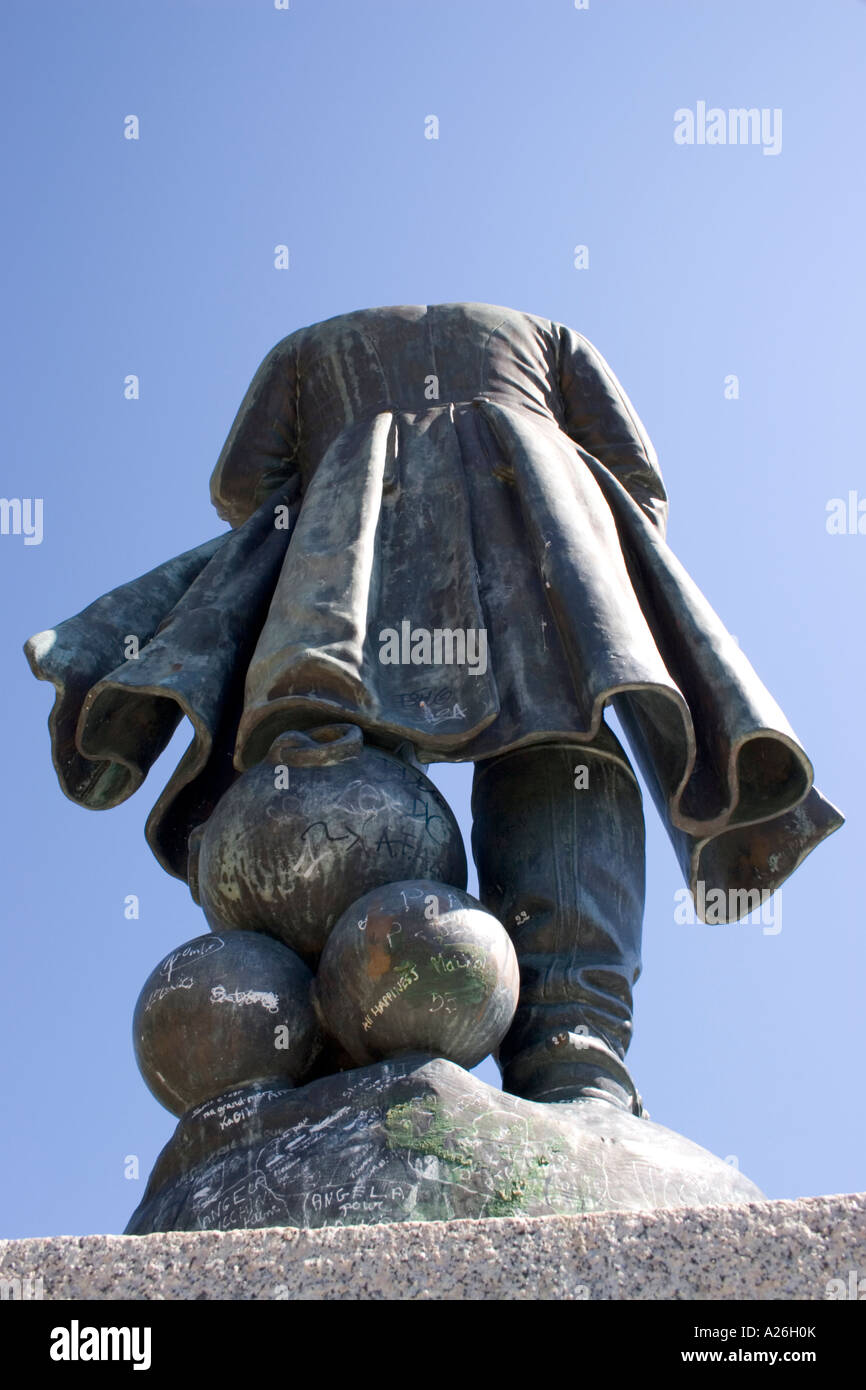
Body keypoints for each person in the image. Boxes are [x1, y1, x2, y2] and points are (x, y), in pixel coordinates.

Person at [25, 302, 843, 1112]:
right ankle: (573, 1050)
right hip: (541, 539)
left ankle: (337, 1046)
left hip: (344, 570)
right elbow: (635, 484)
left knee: (332, 756)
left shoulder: (304, 352)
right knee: (563, 750)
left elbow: (247, 491)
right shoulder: (551, 338)